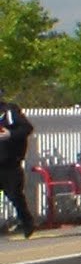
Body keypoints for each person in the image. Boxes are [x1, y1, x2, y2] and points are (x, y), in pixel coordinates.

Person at [0, 87, 36, 238]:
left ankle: (27, 223)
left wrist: (10, 134)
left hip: (9, 163)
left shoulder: (9, 111)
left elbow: (27, 128)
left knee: (15, 195)